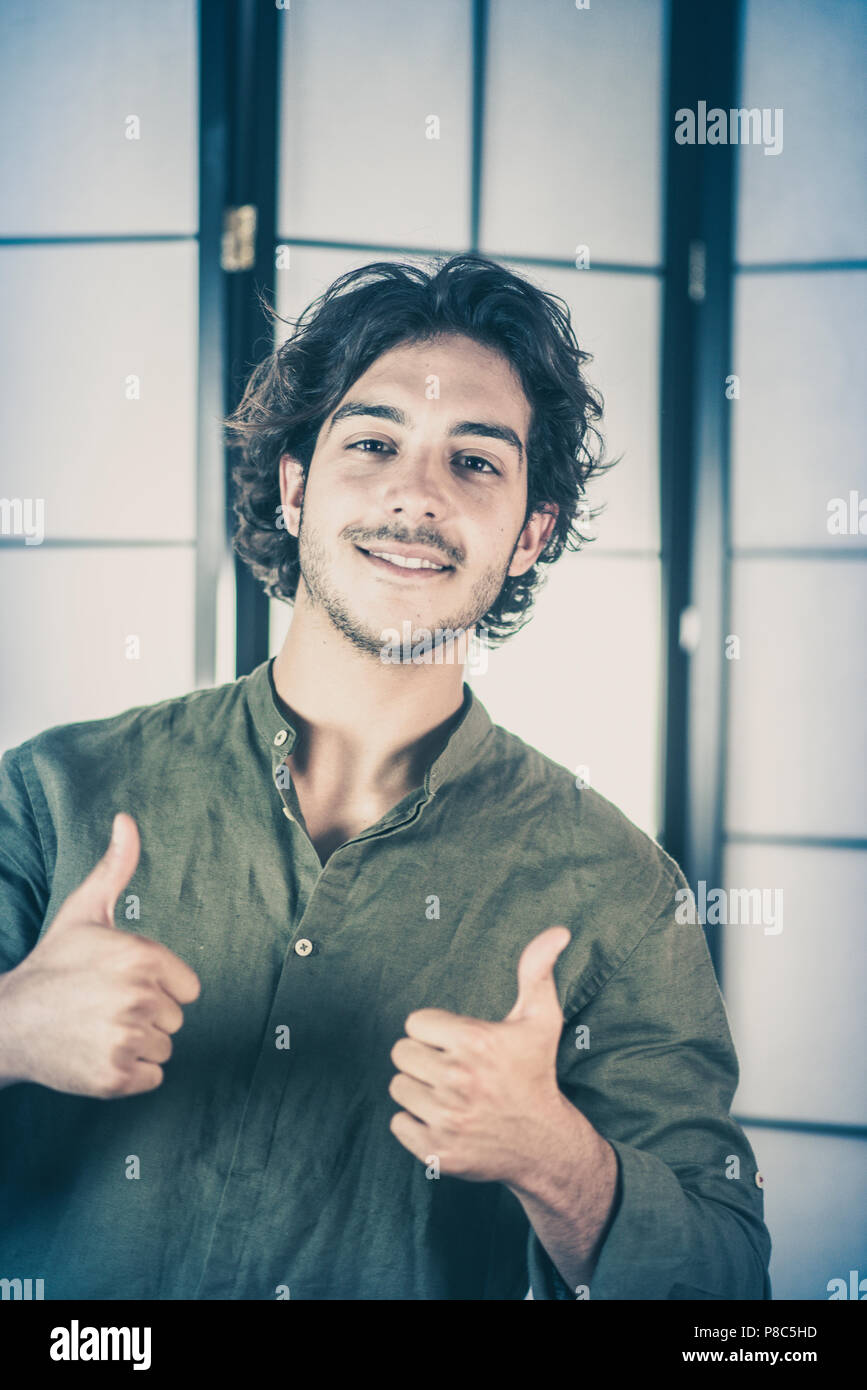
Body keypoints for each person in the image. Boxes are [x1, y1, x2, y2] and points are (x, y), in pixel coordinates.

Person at [0, 255, 771, 1300]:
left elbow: (730, 1303)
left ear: (532, 532)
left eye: (477, 463)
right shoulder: (54, 793)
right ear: (297, 483)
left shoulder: (618, 890)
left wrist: (556, 1157)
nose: (417, 495)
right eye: (372, 443)